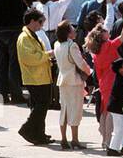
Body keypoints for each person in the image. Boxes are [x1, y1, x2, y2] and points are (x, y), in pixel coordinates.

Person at [16, 8, 54, 145]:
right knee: (41, 106)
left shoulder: (33, 35)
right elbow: (29, 58)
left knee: (41, 106)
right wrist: (48, 55)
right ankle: (27, 129)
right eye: (40, 21)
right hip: (34, 78)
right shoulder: (24, 37)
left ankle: (39, 133)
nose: (41, 24)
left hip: (41, 76)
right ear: (32, 21)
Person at [53, 20, 90, 150]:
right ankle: (74, 139)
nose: (74, 31)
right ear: (68, 33)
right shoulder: (72, 45)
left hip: (62, 80)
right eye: (72, 29)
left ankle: (63, 138)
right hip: (74, 81)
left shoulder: (57, 44)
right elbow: (81, 63)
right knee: (75, 110)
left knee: (64, 110)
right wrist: (89, 71)